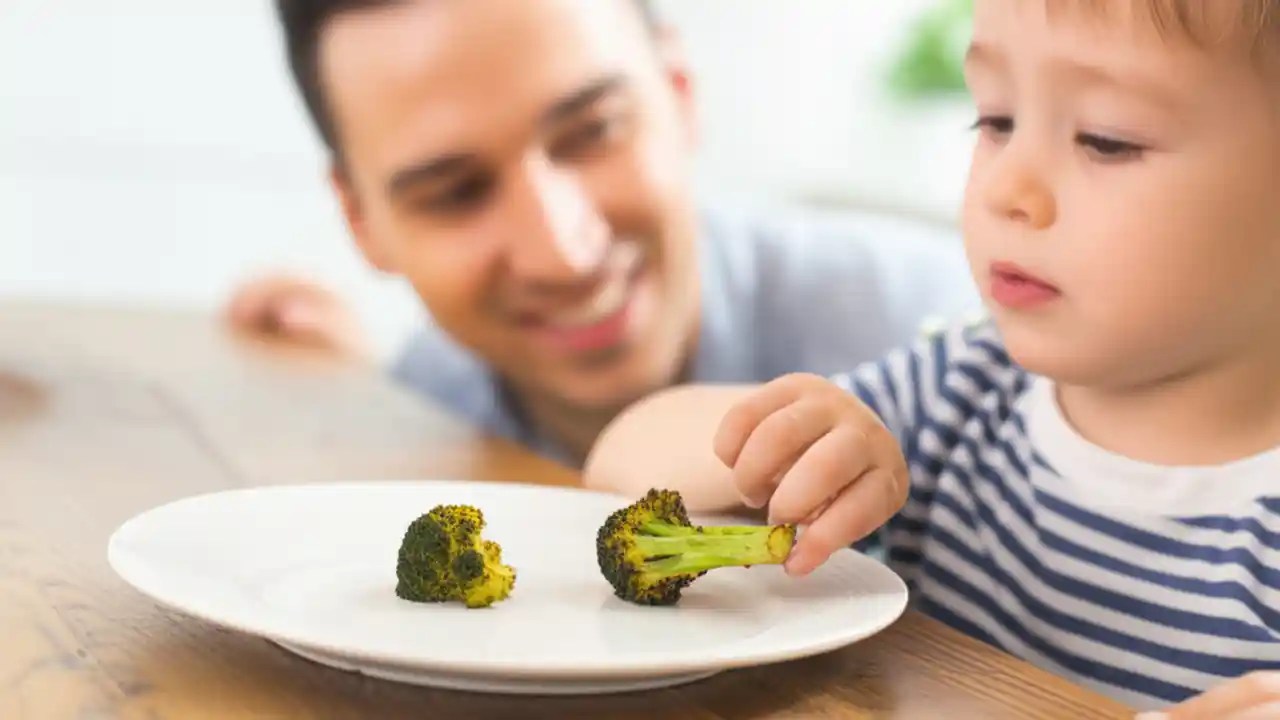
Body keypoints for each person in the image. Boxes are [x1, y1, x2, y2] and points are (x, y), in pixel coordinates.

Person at [584, 0, 1280, 715]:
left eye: (1105, 139)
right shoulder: (957, 393)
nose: (1008, 187)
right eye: (997, 121)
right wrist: (782, 440)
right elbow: (619, 459)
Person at [229, 0, 979, 467]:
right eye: (455, 194)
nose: (562, 253)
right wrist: (360, 394)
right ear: (363, 223)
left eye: (594, 131)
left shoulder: (950, 339)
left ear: (680, 95)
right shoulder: (424, 398)